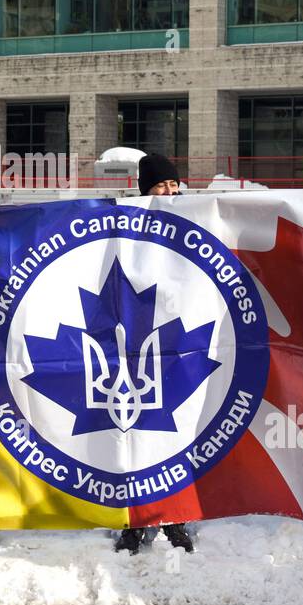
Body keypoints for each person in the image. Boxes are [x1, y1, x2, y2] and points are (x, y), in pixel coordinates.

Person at [113, 151, 195, 555]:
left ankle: (174, 516)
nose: (169, 190)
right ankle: (133, 518)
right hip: (133, 345)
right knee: (130, 434)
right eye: (160, 184)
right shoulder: (126, 222)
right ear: (146, 188)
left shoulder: (195, 218)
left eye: (173, 184)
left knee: (171, 434)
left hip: (177, 342)